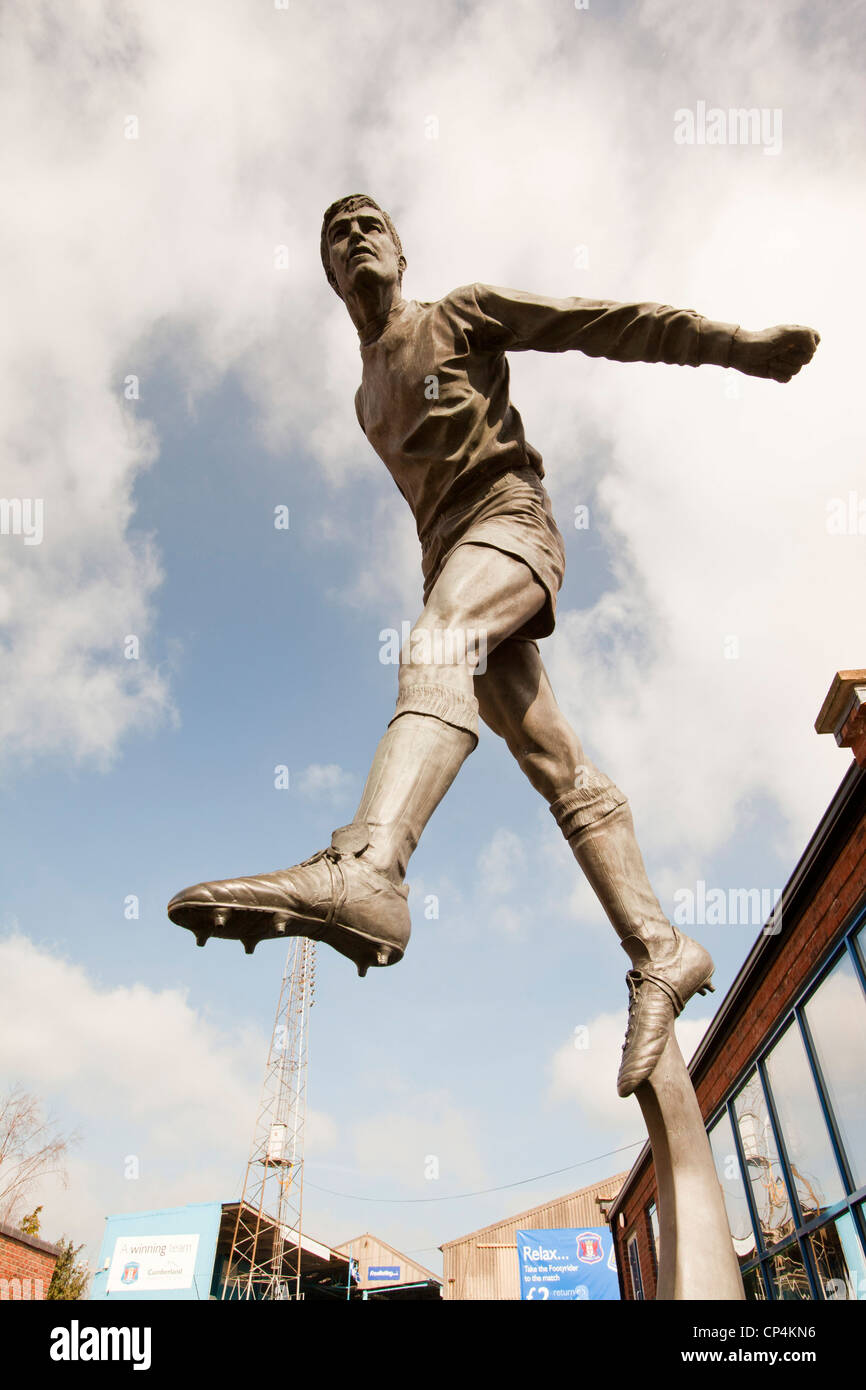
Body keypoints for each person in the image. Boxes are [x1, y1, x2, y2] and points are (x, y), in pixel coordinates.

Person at [168, 195, 819, 1095]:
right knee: (559, 765)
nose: (355, 237)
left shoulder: (460, 313)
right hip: (453, 562)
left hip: (511, 525)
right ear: (329, 275)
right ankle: (661, 947)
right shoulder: (365, 398)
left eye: (370, 225)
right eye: (336, 234)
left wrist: (731, 344)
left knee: (436, 643)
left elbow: (602, 325)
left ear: (401, 251)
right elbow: (425, 507)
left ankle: (371, 866)